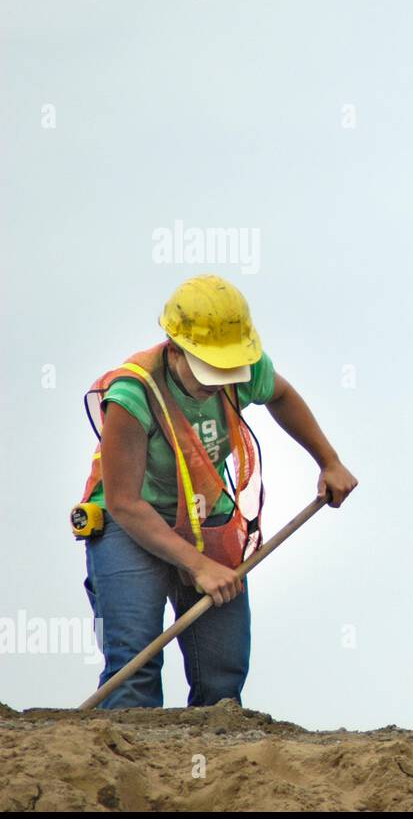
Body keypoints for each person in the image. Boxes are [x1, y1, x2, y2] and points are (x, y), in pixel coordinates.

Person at [75, 274, 357, 708]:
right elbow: (125, 503)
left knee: (222, 678)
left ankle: (202, 770)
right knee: (134, 668)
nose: (219, 380)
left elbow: (280, 394)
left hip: (205, 516)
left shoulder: (241, 367)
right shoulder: (132, 394)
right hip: (129, 524)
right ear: (175, 350)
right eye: (209, 369)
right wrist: (198, 565)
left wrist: (329, 461)